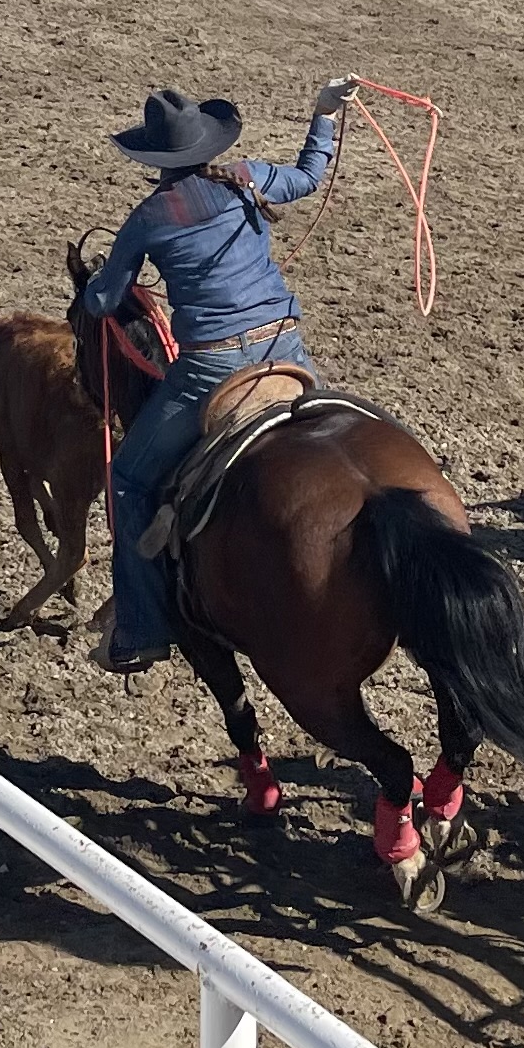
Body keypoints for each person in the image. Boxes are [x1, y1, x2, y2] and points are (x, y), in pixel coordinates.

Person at [83, 75, 360, 675]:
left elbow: (104, 301)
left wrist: (106, 284)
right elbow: (309, 176)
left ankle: (141, 628)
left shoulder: (149, 217)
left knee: (129, 478)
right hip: (285, 345)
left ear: (154, 158)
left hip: (211, 366)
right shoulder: (247, 177)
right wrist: (324, 115)